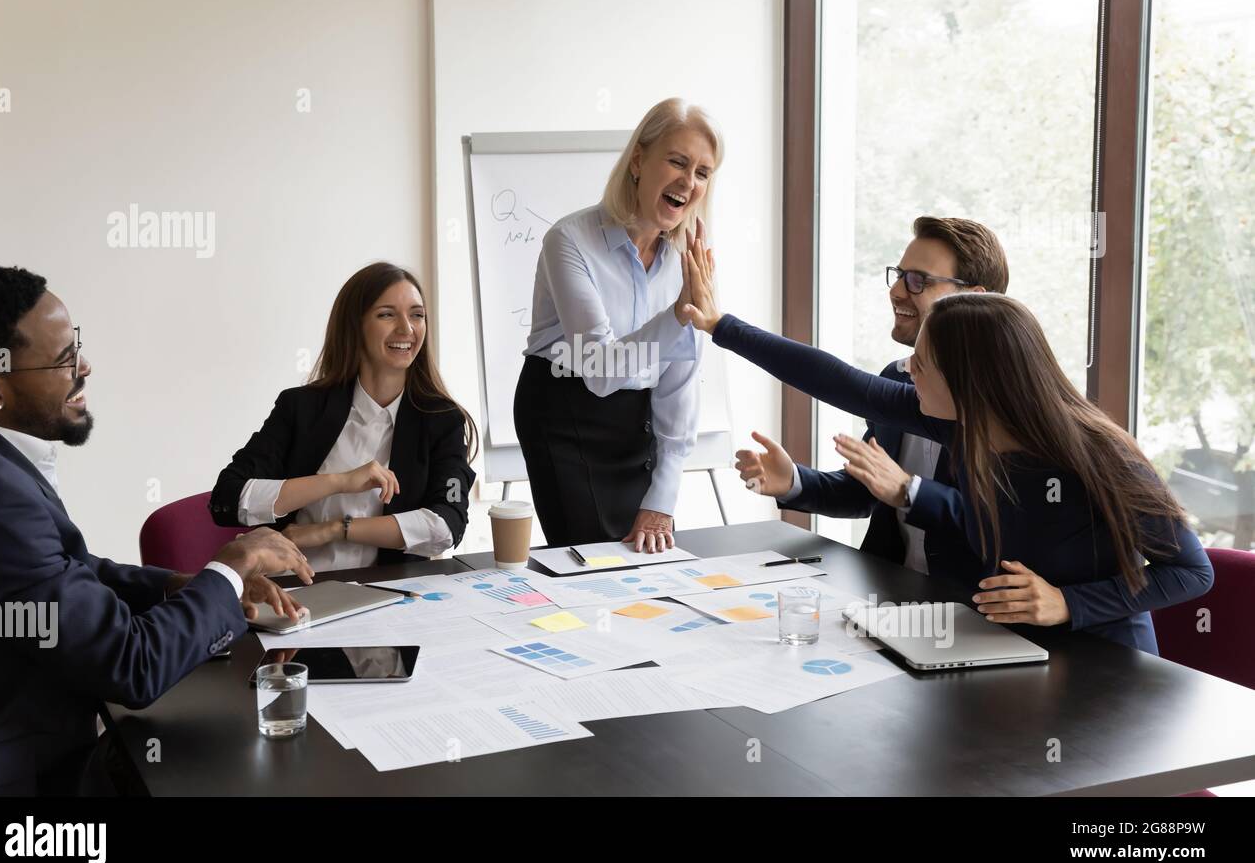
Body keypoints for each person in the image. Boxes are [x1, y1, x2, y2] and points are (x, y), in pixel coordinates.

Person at [679, 249, 1212, 653]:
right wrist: (720, 327)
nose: (909, 372)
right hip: (1006, 651)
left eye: (925, 364)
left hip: (1103, 662)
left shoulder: (1098, 454)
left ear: (970, 380)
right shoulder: (963, 422)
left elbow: (1190, 572)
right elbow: (839, 380)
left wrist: (1068, 604)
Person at [0, 265, 311, 795]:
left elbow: (61, 570)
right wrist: (232, 565)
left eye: (77, 345)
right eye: (64, 359)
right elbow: (132, 666)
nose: (86, 366)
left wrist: (182, 585)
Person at [734, 217, 1008, 576]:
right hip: (891, 596)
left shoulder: (1010, 405)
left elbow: (1006, 525)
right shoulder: (897, 377)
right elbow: (866, 492)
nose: (896, 291)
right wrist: (794, 482)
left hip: (974, 613)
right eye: (898, 274)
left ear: (973, 300)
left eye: (918, 280)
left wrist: (910, 491)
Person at [514, 97, 723, 551]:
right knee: (589, 561)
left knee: (645, 557)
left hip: (637, 422)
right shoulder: (568, 240)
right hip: (565, 411)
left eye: (703, 172)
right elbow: (601, 369)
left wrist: (664, 496)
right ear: (638, 160)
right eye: (678, 162)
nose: (688, 182)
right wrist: (678, 314)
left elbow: (680, 380)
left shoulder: (687, 259)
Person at [210, 262, 476, 570]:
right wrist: (337, 482)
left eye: (417, 314)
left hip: (389, 597)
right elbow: (227, 499)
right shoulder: (300, 407)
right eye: (387, 314)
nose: (407, 328)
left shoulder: (442, 420)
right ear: (355, 325)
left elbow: (448, 523)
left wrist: (336, 529)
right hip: (295, 590)